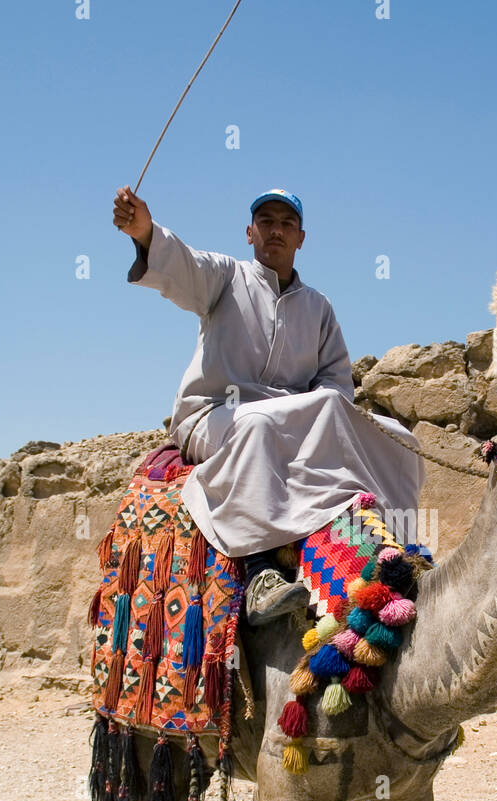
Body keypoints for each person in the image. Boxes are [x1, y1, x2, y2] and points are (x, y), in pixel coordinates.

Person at [112, 185, 425, 624]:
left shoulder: (319, 307)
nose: (276, 230)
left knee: (398, 436)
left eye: (286, 223)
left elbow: (335, 384)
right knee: (257, 424)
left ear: (301, 238)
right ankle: (260, 573)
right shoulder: (224, 277)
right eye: (266, 222)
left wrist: (320, 418)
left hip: (293, 424)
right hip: (213, 414)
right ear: (249, 233)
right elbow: (183, 267)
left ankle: (399, 550)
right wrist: (145, 232)